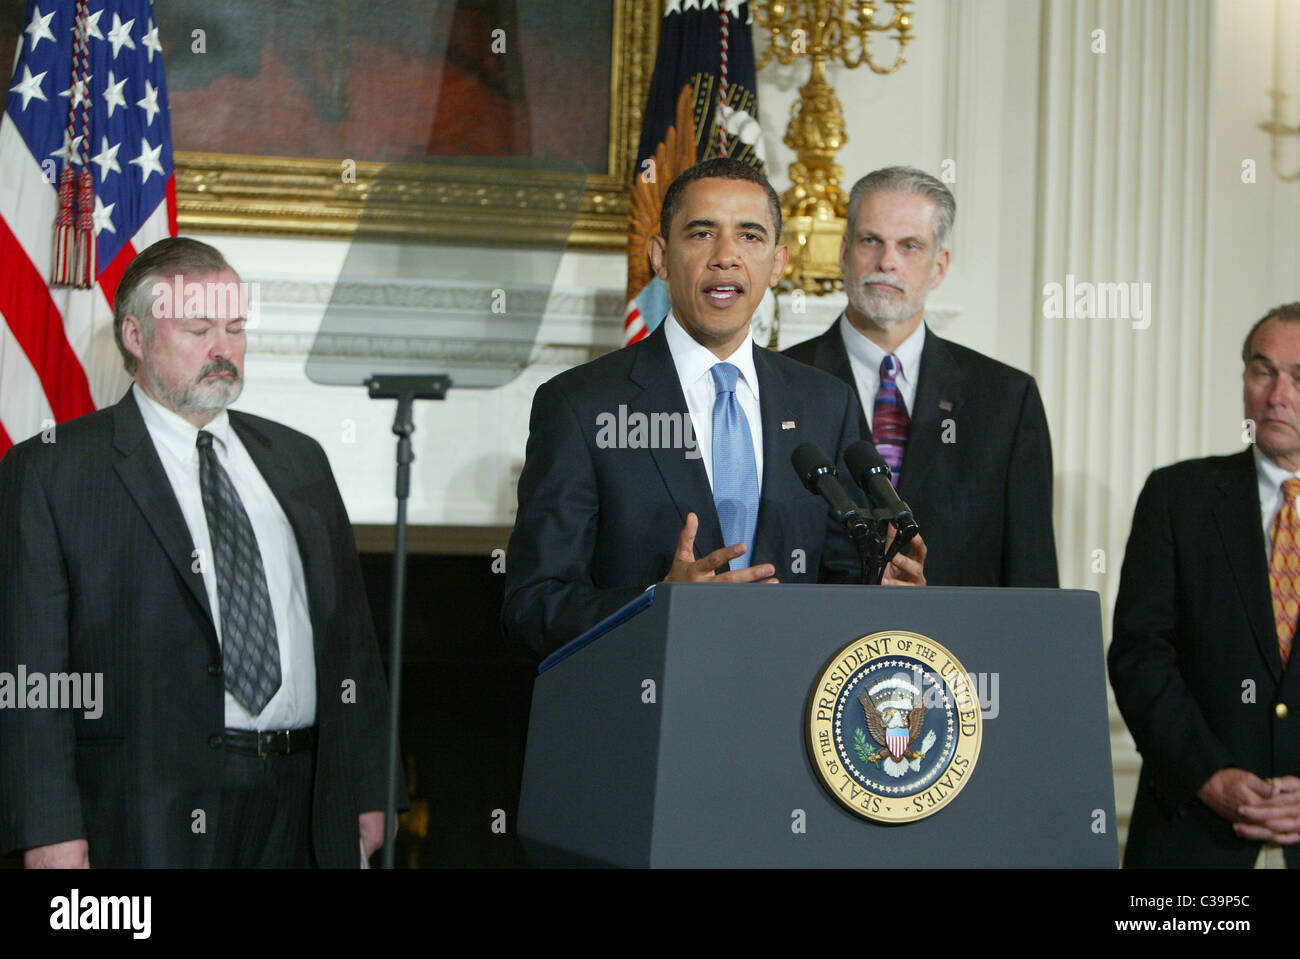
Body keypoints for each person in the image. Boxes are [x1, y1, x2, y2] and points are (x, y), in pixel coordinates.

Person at [0, 237, 397, 868]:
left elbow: (351, 637)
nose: (224, 349)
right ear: (136, 335)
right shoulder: (52, 469)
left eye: (235, 327)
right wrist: (47, 827)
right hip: (144, 809)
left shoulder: (299, 460)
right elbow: (32, 670)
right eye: (198, 328)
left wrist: (371, 787)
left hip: (302, 798)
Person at [502, 157, 926, 659]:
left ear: (778, 261)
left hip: (789, 710)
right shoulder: (580, 405)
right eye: (701, 234)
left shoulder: (824, 402)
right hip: (651, 706)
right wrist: (660, 604)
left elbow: (837, 575)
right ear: (660, 256)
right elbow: (532, 606)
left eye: (749, 237)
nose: (725, 256)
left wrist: (880, 589)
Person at [783, 167, 1057, 587]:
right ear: (843, 252)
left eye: (910, 246)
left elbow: (1032, 578)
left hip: (959, 647)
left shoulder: (1006, 399)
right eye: (870, 240)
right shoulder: (777, 385)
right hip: (812, 643)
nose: (887, 262)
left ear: (938, 267)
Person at [1110, 302, 1300, 868]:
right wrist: (1208, 776)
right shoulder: (1178, 497)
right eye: (1262, 371)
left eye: (1299, 377)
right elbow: (1140, 656)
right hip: (1192, 834)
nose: (1276, 395)